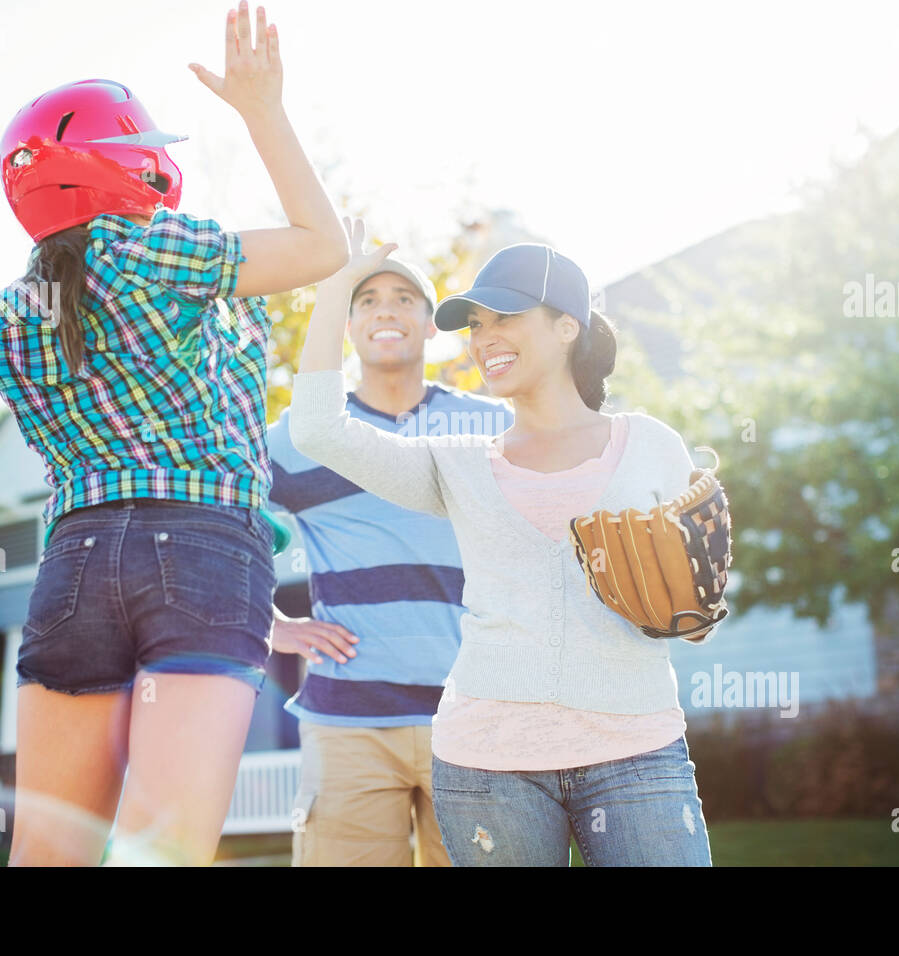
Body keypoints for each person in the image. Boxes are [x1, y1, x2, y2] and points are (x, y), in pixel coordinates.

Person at [0, 3, 347, 866]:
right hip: (208, 551)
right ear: (132, 169)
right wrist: (262, 111)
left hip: (72, 567)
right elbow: (322, 245)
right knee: (161, 850)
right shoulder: (157, 252)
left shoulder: (0, 314)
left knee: (45, 856)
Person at [288, 222, 716, 866]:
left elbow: (691, 604)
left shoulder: (651, 445)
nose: (485, 339)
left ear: (567, 325)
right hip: (489, 766)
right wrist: (336, 287)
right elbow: (319, 429)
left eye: (505, 318)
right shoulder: (458, 463)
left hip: (636, 749)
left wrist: (692, 613)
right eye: (475, 325)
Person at [267, 248, 511, 866]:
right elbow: (216, 522)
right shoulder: (301, 437)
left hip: (477, 715)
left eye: (404, 299)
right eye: (366, 300)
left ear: (431, 325)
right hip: (347, 722)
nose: (386, 311)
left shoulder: (492, 425)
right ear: (346, 327)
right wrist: (267, 624)